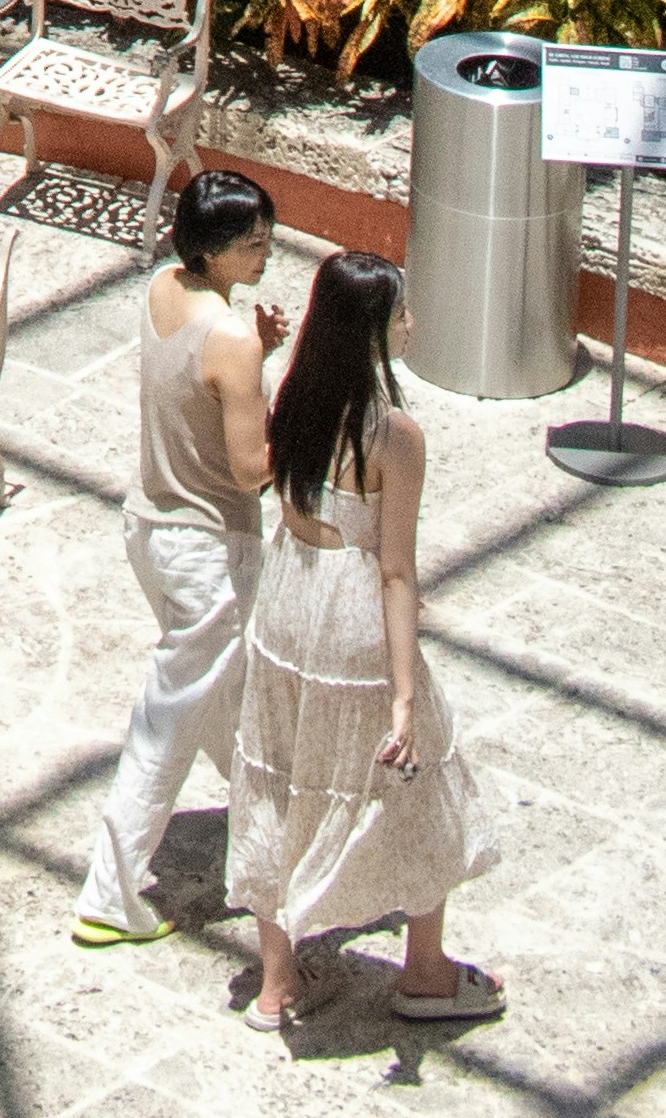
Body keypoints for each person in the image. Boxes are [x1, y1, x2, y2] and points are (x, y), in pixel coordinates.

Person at [231, 252, 498, 1039]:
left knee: (280, 776)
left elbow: (262, 479)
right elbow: (395, 571)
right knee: (418, 785)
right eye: (402, 313)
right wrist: (407, 695)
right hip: (349, 615)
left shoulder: (298, 396)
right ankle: (425, 973)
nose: (413, 322)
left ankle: (277, 984)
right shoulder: (395, 435)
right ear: (375, 332)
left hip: (287, 604)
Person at [74, 162, 282, 948]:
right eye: (253, 244)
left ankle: (273, 829)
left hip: (150, 528)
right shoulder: (232, 338)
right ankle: (109, 894)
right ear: (217, 249)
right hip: (206, 551)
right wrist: (292, 402)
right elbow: (252, 470)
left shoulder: (166, 286)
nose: (266, 254)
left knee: (226, 697)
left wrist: (253, 356)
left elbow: (198, 385)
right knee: (167, 727)